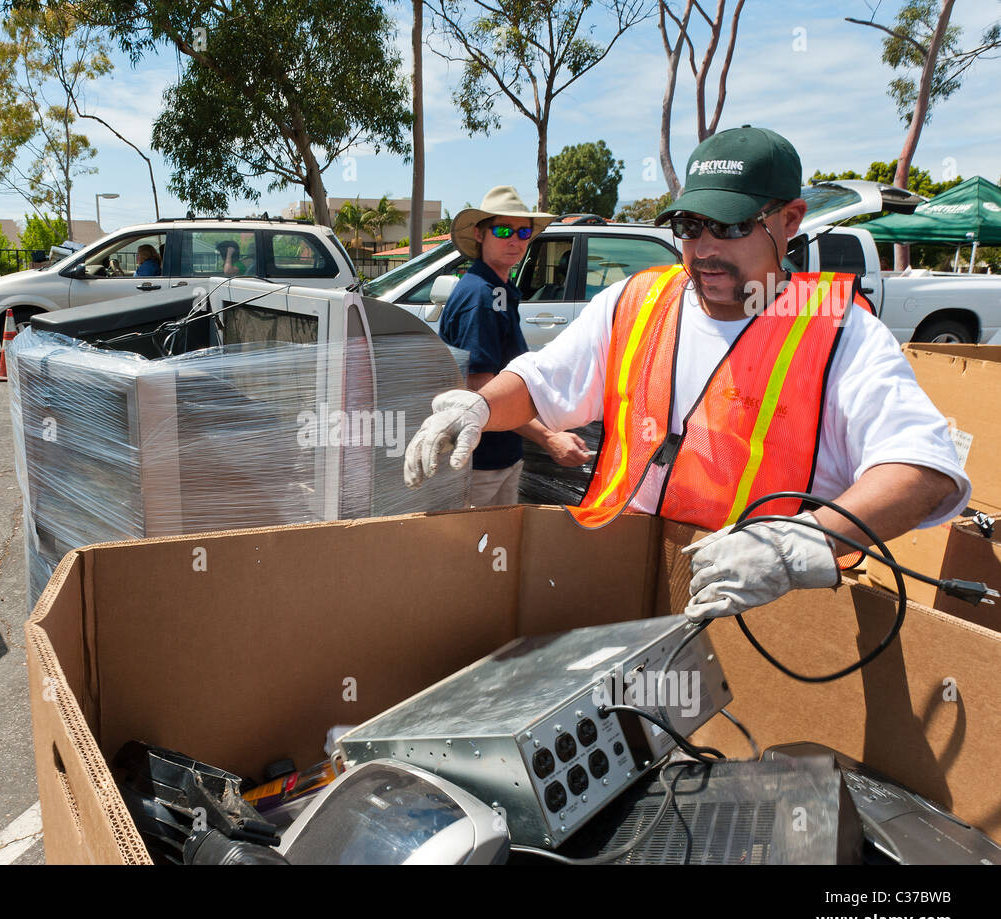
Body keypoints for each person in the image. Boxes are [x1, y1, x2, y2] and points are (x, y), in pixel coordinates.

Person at [405, 127, 969, 620]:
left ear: (790, 221)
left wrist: (800, 543)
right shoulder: (638, 300)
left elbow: (924, 471)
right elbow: (542, 379)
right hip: (628, 574)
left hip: (766, 606)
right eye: (690, 226)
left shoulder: (840, 331)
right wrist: (480, 406)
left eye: (729, 227)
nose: (703, 249)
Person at [437, 186, 595, 506]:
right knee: (472, 551)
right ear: (481, 234)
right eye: (503, 230)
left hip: (502, 454)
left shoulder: (499, 289)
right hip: (478, 462)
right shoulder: (479, 296)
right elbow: (483, 388)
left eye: (523, 231)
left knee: (498, 548)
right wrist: (548, 437)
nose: (515, 240)